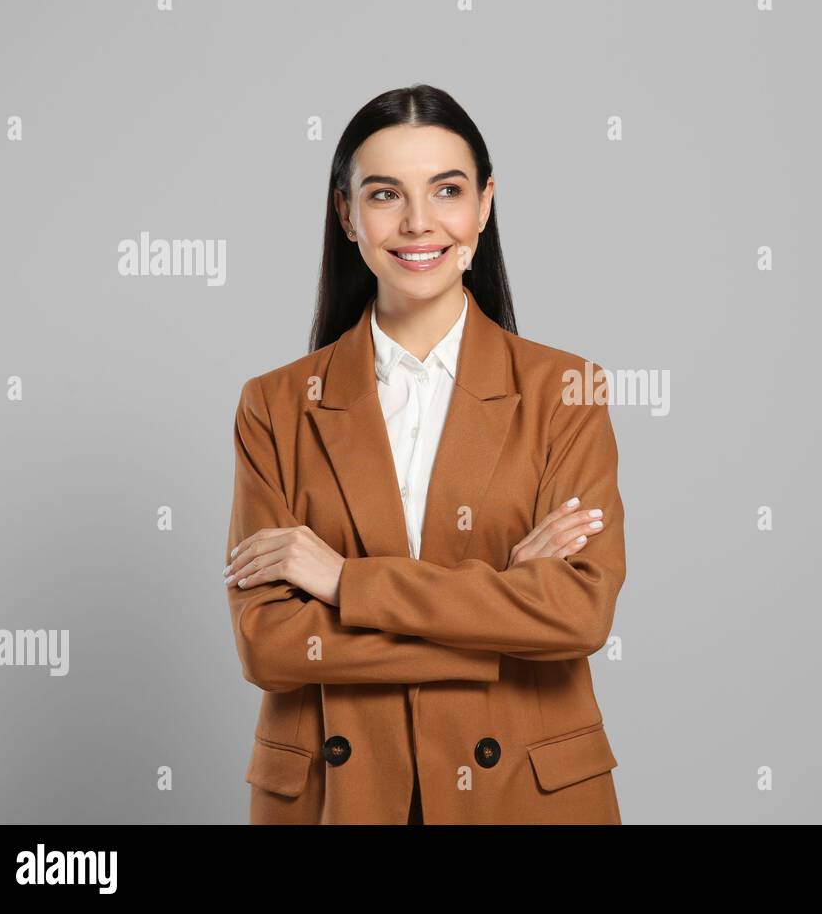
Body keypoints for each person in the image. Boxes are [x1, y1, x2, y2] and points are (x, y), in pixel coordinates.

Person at [222, 85, 625, 824]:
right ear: (347, 215)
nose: (417, 222)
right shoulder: (274, 405)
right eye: (384, 194)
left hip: (523, 796)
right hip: (337, 797)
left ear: (484, 204)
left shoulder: (567, 390)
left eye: (446, 189)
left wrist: (345, 582)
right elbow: (272, 646)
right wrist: (500, 619)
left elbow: (576, 614)